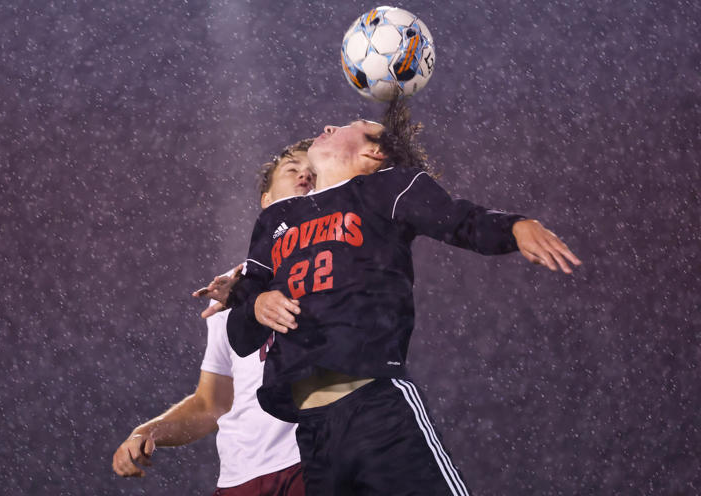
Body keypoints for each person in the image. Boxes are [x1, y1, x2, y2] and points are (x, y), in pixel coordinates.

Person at [226, 98, 582, 495]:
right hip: (313, 434)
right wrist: (255, 306)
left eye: (350, 124)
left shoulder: (388, 187)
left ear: (372, 152)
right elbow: (240, 335)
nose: (328, 126)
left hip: (376, 407)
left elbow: (460, 220)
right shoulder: (276, 219)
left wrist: (515, 227)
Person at [112, 140, 316, 495]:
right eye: (292, 168)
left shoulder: (344, 267)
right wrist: (148, 431)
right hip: (240, 478)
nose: (305, 174)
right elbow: (212, 404)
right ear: (266, 200)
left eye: (315, 171)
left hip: (316, 462)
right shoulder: (230, 290)